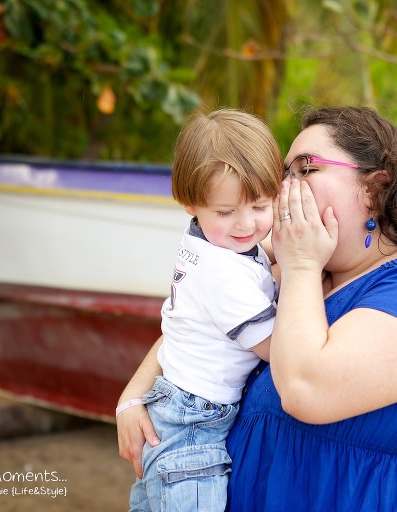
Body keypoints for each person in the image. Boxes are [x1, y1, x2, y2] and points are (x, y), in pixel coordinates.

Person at [118, 106, 397, 511]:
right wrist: (134, 395)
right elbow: (199, 317)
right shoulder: (296, 267)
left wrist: (302, 266)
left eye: (305, 168)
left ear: (373, 187)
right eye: (284, 173)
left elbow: (305, 389)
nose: (282, 187)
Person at [120, 108, 283, 512]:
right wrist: (307, 270)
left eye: (260, 206)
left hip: (173, 406)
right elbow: (277, 348)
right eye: (226, 212)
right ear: (189, 203)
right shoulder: (223, 275)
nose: (245, 225)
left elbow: (256, 253)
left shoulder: (209, 240)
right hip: (194, 428)